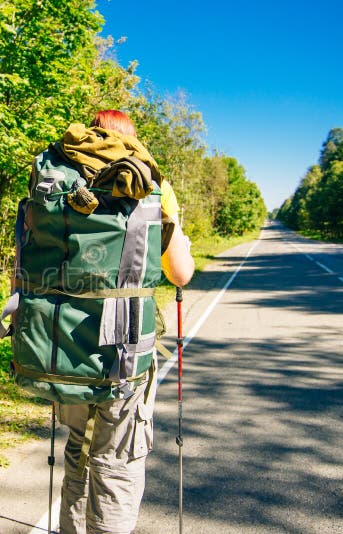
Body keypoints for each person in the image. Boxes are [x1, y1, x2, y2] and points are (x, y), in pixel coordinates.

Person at [52, 110, 195, 534]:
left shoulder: (61, 180)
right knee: (117, 460)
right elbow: (180, 274)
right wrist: (181, 242)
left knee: (77, 450)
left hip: (64, 344)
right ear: (131, 139)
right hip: (125, 349)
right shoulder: (150, 183)